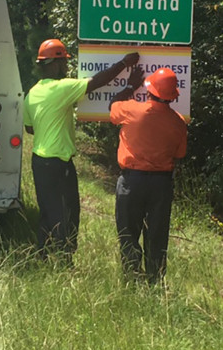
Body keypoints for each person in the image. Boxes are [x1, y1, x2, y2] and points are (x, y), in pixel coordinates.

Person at [23, 38, 140, 261]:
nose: (66, 67)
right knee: (67, 213)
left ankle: (42, 256)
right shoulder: (62, 88)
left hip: (39, 161)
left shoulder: (32, 93)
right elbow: (97, 81)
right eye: (64, 62)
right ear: (55, 64)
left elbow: (30, 128)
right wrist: (124, 64)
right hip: (58, 163)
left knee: (48, 210)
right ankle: (64, 262)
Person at [109, 66, 188, 284]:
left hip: (131, 182)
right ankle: (155, 280)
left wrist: (130, 85)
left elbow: (112, 107)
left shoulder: (132, 110)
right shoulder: (179, 122)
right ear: (172, 96)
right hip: (161, 185)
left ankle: (133, 279)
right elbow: (179, 153)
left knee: (128, 231)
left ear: (150, 90)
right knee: (157, 234)